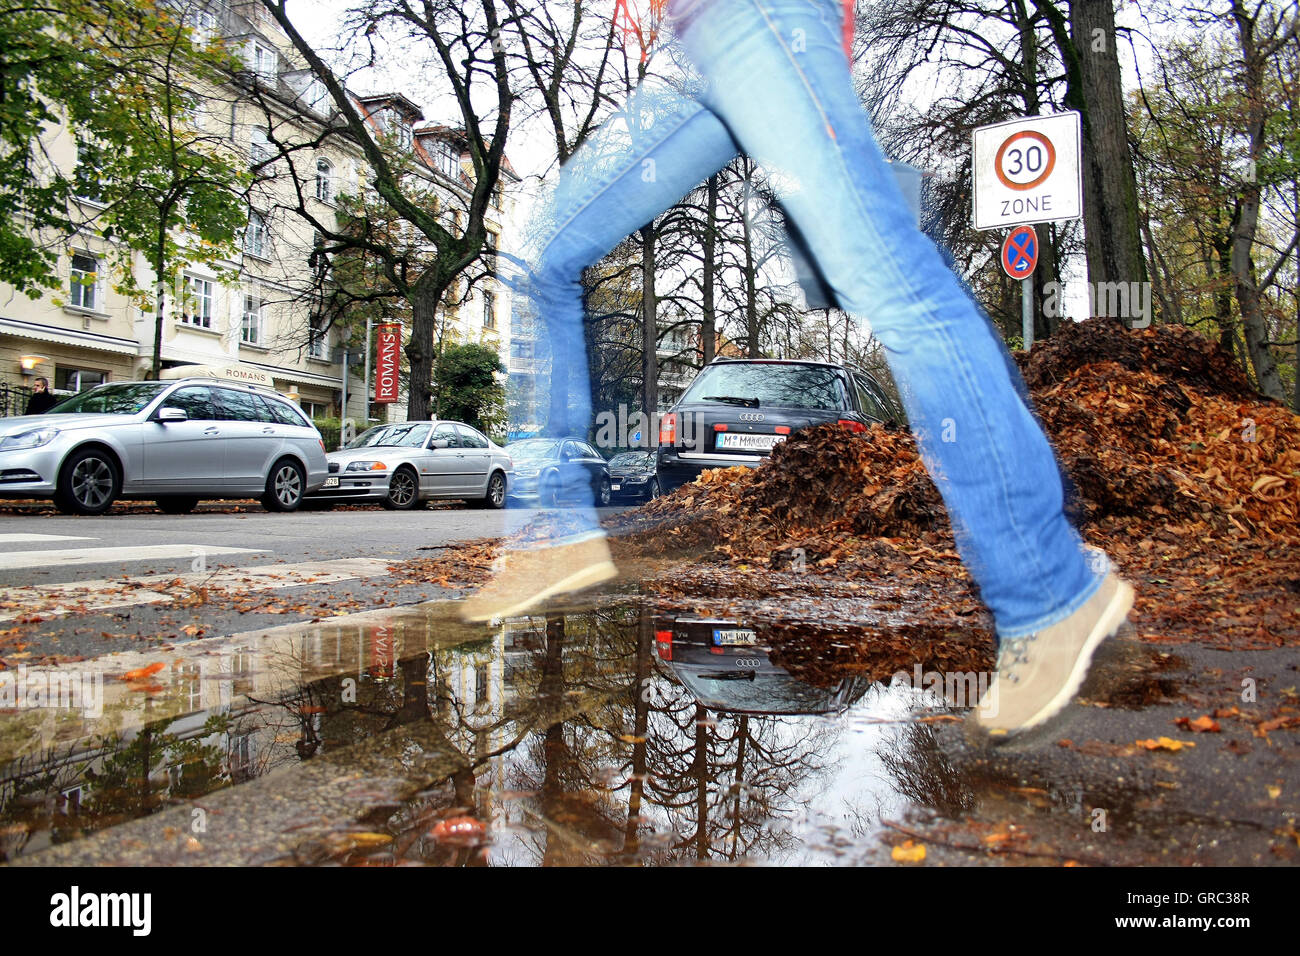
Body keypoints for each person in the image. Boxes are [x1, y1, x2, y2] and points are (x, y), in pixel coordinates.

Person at [462, 0, 1135, 740]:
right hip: (692, 53)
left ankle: (1050, 591)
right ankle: (553, 531)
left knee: (895, 285)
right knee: (542, 253)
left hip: (763, 20)